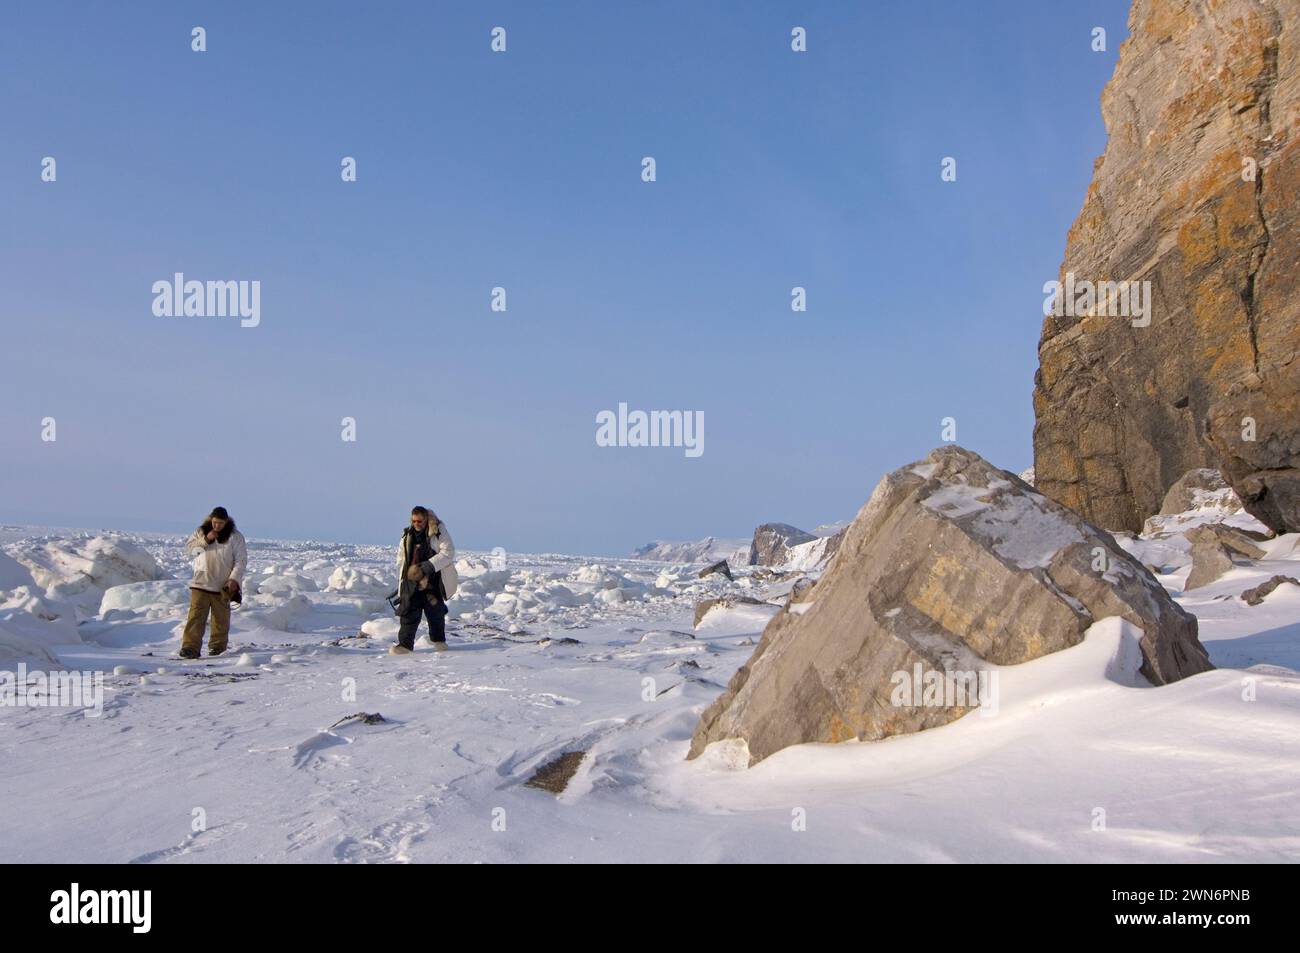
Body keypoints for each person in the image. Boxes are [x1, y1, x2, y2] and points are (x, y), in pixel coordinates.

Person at [180, 506, 247, 659]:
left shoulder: (235, 537)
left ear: (226, 522)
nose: (217, 526)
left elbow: (241, 561)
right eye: (215, 522)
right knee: (196, 617)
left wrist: (233, 579)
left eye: (220, 523)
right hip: (201, 582)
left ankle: (217, 648)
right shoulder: (201, 532)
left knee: (220, 620)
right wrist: (206, 540)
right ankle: (190, 647)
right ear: (211, 519)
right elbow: (190, 552)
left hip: (223, 585)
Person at [392, 506, 459, 655]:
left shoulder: (439, 531)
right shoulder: (407, 534)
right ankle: (404, 645)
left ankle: (439, 641)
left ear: (426, 520)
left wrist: (427, 566)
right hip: (412, 581)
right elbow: (401, 558)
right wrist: (403, 579)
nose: (417, 524)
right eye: (414, 521)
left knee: (435, 612)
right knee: (408, 612)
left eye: (420, 521)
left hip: (433, 581)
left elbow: (448, 552)